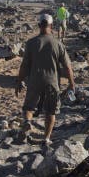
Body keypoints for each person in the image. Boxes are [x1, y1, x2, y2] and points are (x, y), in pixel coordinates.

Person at [16, 13, 75, 145]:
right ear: (51, 26)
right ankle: (46, 138)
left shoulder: (31, 43)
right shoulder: (58, 44)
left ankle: (27, 122)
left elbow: (24, 66)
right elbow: (68, 67)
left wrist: (19, 81)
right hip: (52, 82)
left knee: (29, 108)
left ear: (39, 26)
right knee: (51, 111)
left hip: (34, 81)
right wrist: (71, 83)